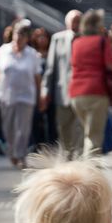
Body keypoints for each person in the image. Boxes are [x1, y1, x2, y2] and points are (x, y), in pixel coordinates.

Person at [0, 20, 42, 168]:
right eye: (17, 35)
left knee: (23, 129)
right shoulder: (3, 51)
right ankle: (12, 151)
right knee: (8, 129)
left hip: (26, 96)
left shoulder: (33, 55)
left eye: (22, 36)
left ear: (27, 38)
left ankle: (20, 155)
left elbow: (37, 77)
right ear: (12, 35)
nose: (19, 39)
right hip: (6, 96)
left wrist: (40, 96)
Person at [68, 9, 112, 158]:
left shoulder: (76, 42)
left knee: (88, 134)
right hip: (96, 92)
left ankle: (88, 169)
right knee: (94, 138)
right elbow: (110, 65)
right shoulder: (101, 41)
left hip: (76, 95)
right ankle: (90, 176)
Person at [39, 9, 82, 158]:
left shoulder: (87, 39)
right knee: (63, 128)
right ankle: (67, 155)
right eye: (73, 20)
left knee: (80, 128)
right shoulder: (58, 39)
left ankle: (78, 158)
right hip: (62, 92)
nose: (75, 23)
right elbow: (51, 67)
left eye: (78, 20)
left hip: (82, 92)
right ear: (67, 22)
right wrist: (45, 90)